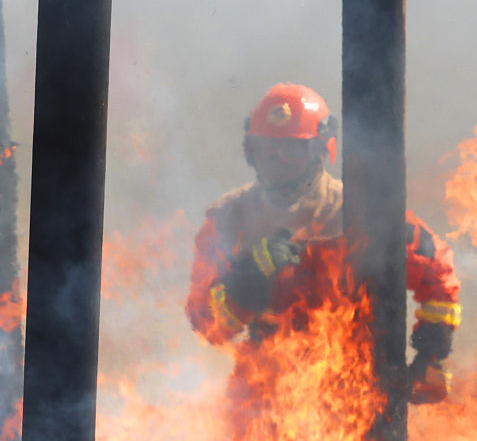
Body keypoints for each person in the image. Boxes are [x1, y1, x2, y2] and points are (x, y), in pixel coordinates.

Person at [186, 82, 460, 404]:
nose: (275, 161)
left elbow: (438, 275)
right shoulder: (229, 218)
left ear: (320, 150)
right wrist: (245, 282)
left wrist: (431, 356)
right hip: (266, 395)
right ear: (250, 151)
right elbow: (207, 325)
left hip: (357, 390)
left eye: (290, 150)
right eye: (265, 149)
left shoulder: (363, 212)